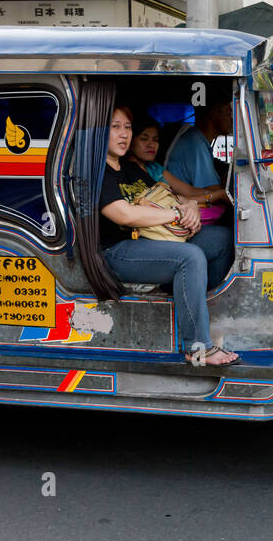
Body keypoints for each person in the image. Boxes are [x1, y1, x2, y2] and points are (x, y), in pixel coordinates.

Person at [98, 106, 238, 366]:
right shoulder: (99, 171)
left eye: (127, 127)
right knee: (190, 257)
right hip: (117, 251)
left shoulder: (131, 169)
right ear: (99, 131)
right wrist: (177, 214)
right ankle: (198, 348)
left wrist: (191, 207)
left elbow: (173, 197)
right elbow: (124, 215)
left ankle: (197, 312)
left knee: (221, 239)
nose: (123, 134)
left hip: (153, 241)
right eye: (115, 127)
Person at [124, 108, 233, 287]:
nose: (151, 145)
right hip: (152, 234)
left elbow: (188, 192)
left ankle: (210, 293)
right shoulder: (126, 171)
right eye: (144, 139)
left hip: (173, 228)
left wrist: (213, 197)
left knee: (224, 237)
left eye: (155, 140)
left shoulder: (154, 168)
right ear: (130, 140)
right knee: (196, 253)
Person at [166, 98, 232, 196]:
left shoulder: (197, 139)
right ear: (214, 113)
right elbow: (214, 190)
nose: (232, 119)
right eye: (228, 113)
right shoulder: (195, 143)